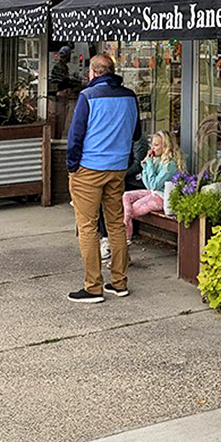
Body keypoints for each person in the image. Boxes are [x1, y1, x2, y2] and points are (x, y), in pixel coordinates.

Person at [66, 53, 140, 303]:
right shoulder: (130, 96)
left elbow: (75, 136)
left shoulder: (88, 96)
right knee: (116, 224)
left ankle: (93, 287)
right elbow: (137, 132)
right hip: (118, 167)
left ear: (93, 72)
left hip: (89, 167)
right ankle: (119, 282)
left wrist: (71, 166)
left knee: (87, 226)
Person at [123, 131, 184, 243]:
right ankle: (126, 235)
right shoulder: (158, 161)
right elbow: (148, 185)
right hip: (153, 193)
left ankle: (126, 237)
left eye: (156, 145)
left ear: (165, 146)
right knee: (126, 196)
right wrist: (145, 166)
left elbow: (155, 185)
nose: (153, 148)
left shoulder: (170, 165)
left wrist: (149, 165)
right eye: (152, 145)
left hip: (162, 197)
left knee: (132, 209)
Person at [99, 133, 149, 263]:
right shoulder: (118, 136)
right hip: (119, 179)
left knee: (111, 198)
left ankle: (113, 242)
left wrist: (119, 175)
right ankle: (106, 238)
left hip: (133, 183)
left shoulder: (138, 140)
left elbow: (138, 165)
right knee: (99, 197)